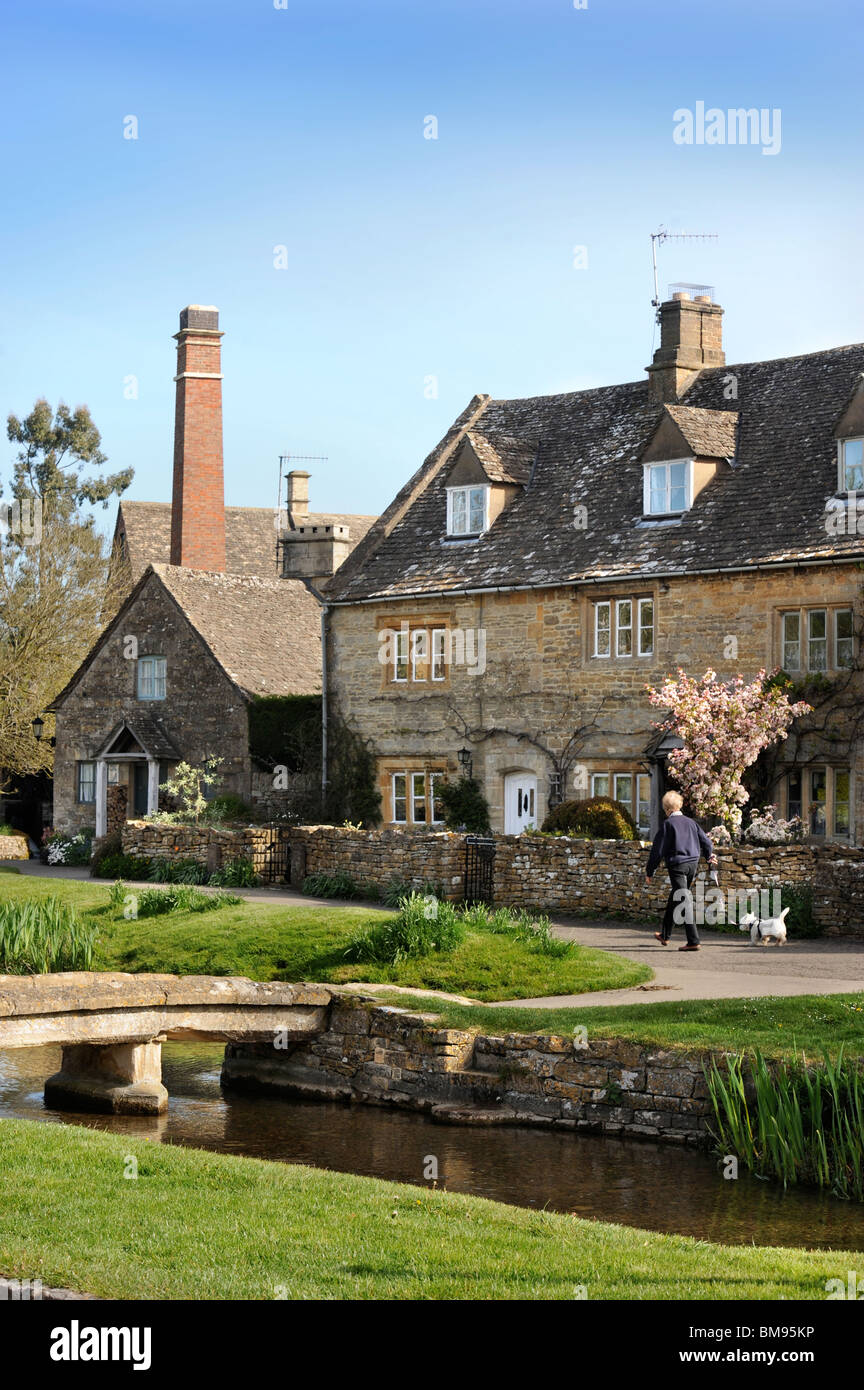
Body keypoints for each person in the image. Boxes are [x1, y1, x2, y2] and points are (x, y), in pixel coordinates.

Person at [645, 791, 718, 950]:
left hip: (677, 866)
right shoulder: (691, 822)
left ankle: (693, 941)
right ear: (679, 806)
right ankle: (665, 935)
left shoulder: (668, 825)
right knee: (677, 896)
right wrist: (708, 856)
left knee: (684, 899)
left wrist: (650, 871)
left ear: (667, 810)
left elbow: (657, 851)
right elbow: (706, 842)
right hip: (692, 864)